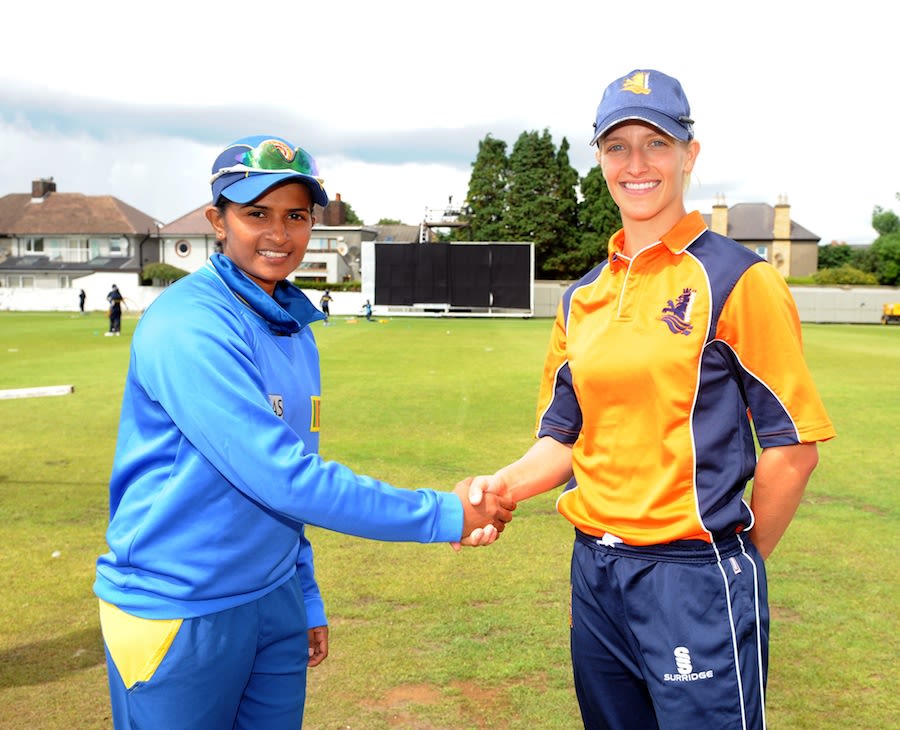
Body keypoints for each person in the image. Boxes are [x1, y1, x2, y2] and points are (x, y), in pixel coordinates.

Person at [93, 134, 515, 730]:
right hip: (181, 608)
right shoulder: (188, 324)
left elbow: (284, 484)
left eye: (296, 216)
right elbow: (282, 477)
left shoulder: (292, 326)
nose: (278, 234)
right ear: (217, 220)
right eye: (255, 214)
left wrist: (302, 594)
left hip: (271, 600)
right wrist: (445, 514)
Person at [466, 70, 836, 729]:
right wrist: (502, 487)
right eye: (617, 147)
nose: (636, 164)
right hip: (596, 571)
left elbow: (792, 448)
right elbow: (562, 439)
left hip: (691, 573)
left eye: (656, 143)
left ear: (690, 154)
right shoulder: (582, 297)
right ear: (600, 160)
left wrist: (734, 565)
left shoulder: (739, 279)